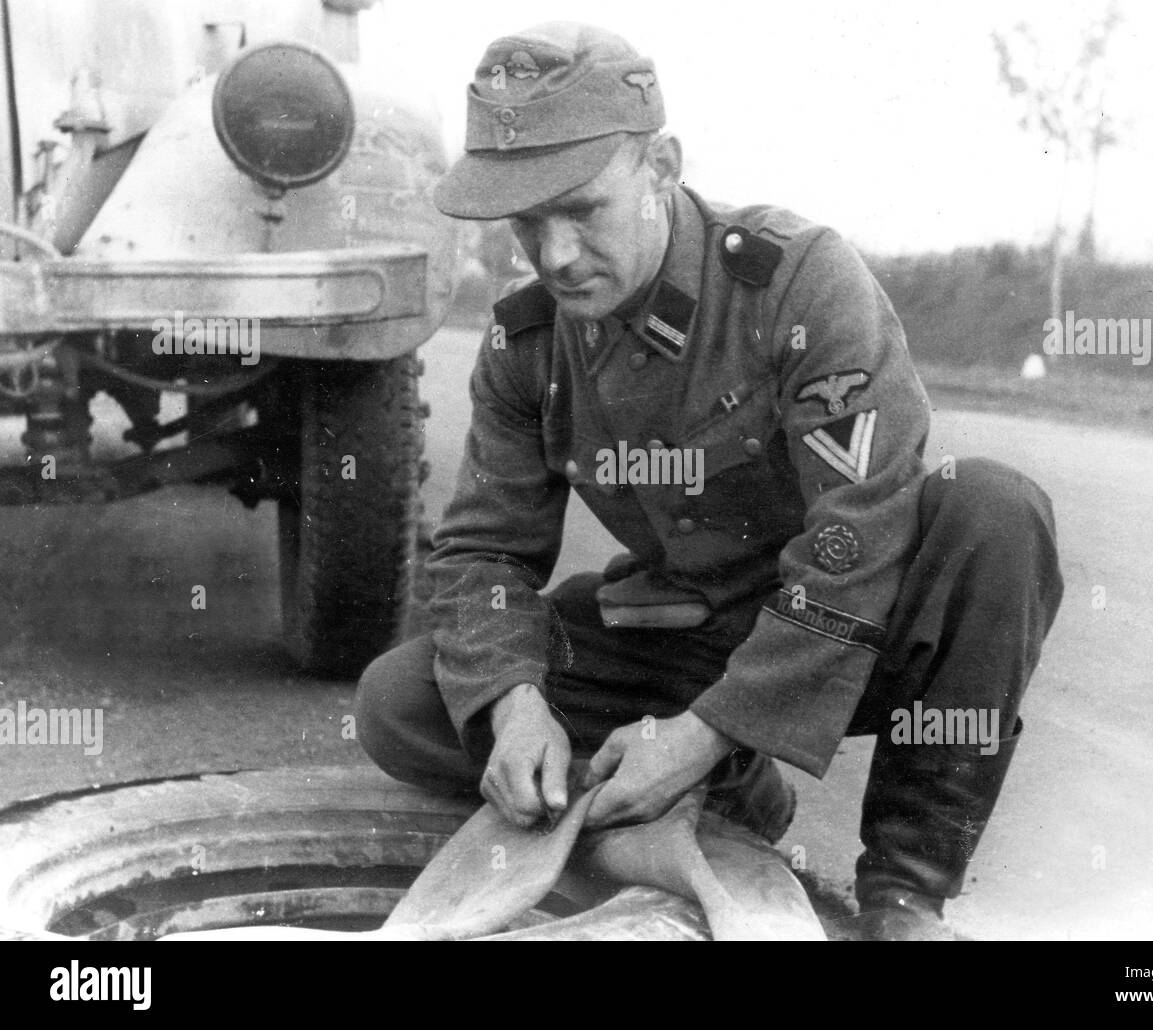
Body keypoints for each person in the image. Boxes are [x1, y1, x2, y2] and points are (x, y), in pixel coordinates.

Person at [355, 21, 1064, 941]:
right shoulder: (526, 343)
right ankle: (726, 790)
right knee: (401, 703)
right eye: (526, 221)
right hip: (678, 632)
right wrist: (512, 700)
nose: (556, 253)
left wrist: (707, 732)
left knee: (995, 511)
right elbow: (483, 548)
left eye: (582, 209)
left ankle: (906, 893)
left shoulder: (799, 284)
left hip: (845, 631)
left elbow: (858, 540)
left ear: (661, 169)